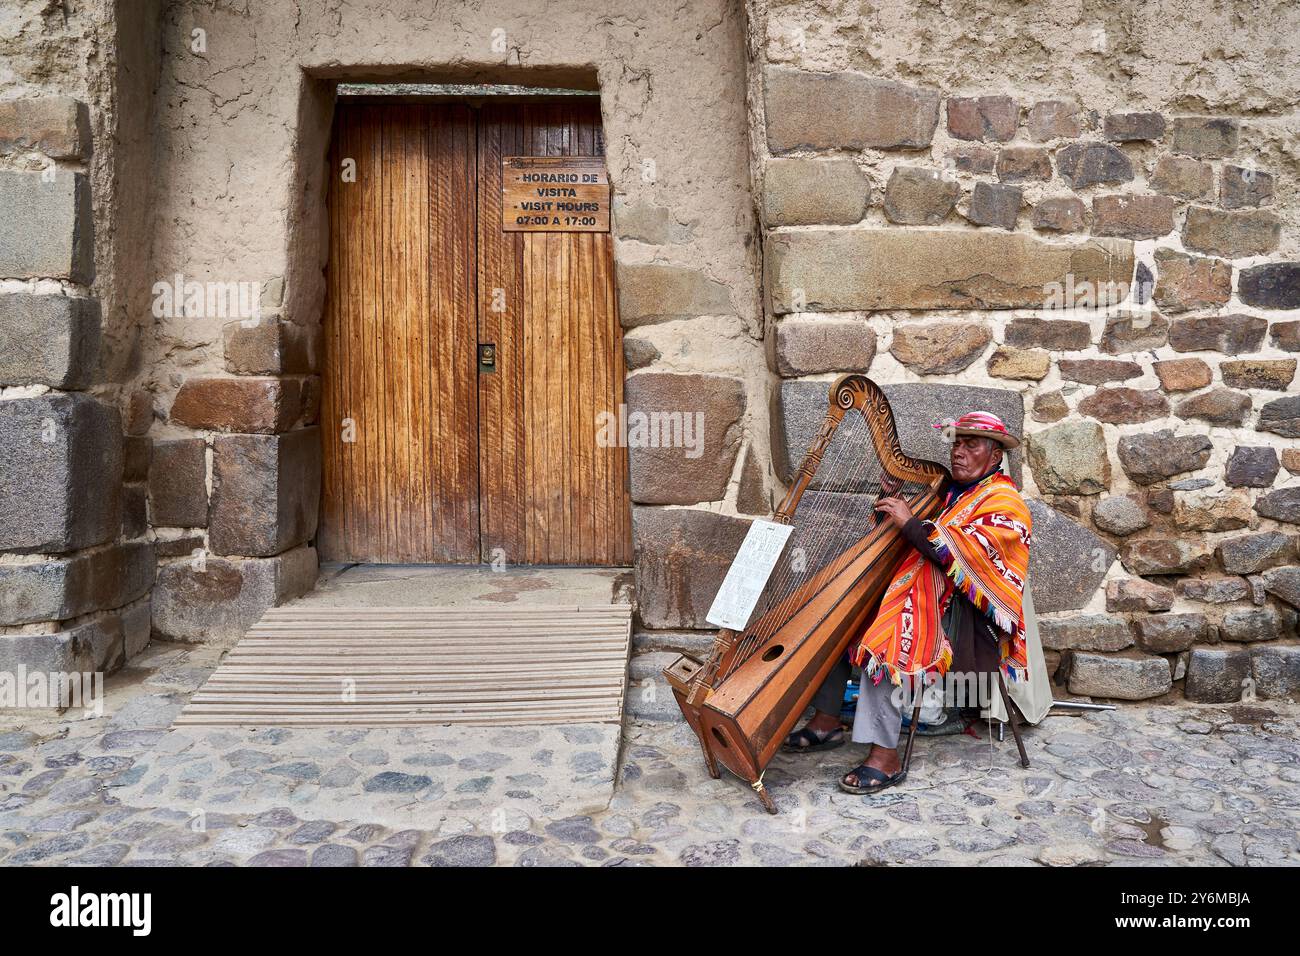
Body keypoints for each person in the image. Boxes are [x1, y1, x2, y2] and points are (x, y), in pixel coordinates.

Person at [782, 411, 1033, 795]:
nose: (959, 453)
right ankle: (827, 720)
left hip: (968, 620)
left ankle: (884, 756)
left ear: (995, 456)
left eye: (972, 445)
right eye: (957, 444)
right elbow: (914, 537)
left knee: (889, 631)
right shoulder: (949, 492)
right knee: (837, 614)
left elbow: (963, 553)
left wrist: (910, 523)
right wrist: (893, 502)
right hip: (928, 595)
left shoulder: (1006, 502)